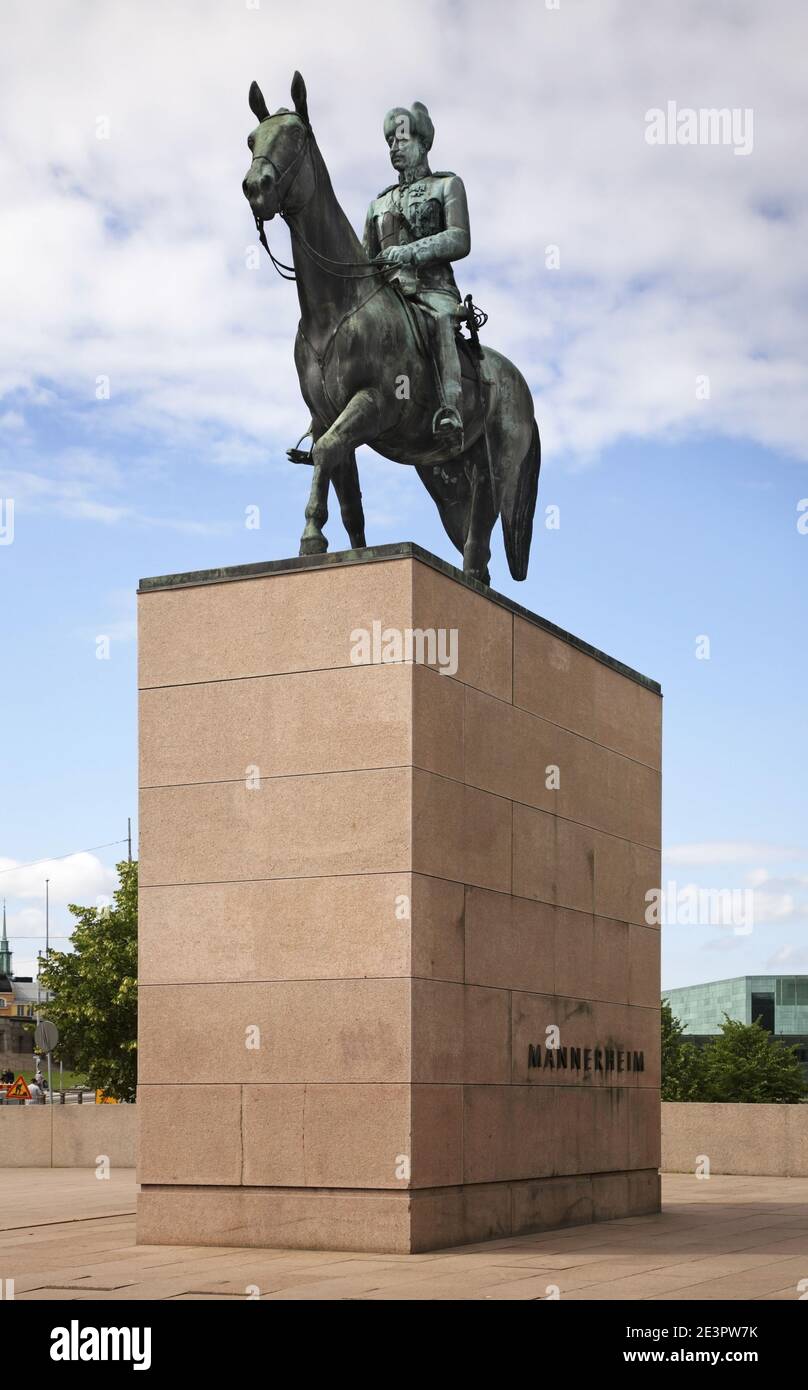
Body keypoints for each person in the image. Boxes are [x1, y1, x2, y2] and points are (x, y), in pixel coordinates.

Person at [363, 101, 471, 453]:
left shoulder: (447, 186)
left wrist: (410, 252)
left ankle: (450, 410)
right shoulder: (377, 205)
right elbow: (364, 262)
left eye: (402, 139)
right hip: (390, 296)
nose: (394, 147)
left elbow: (459, 238)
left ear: (423, 143)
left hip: (432, 290)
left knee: (439, 321)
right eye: (390, 141)